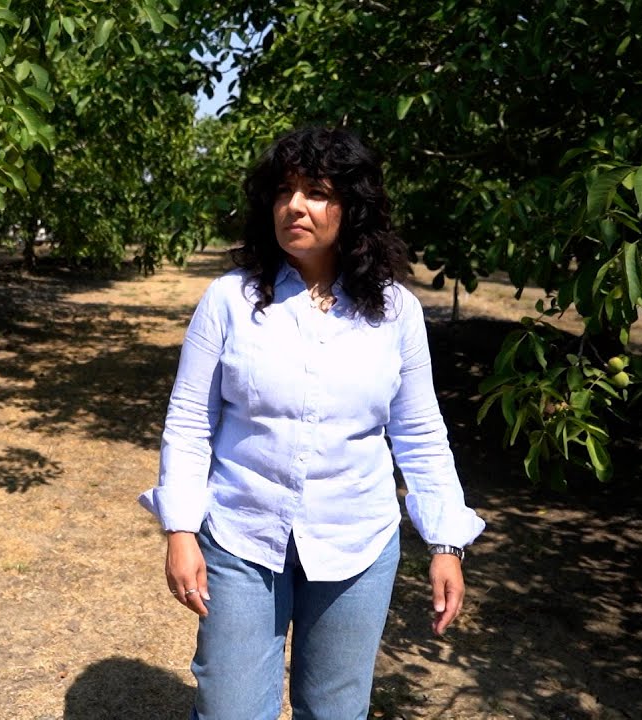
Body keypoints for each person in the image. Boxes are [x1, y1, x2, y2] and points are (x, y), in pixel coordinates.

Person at [139, 126, 485, 720]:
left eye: (317, 192)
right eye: (284, 191)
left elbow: (421, 433)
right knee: (229, 710)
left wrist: (446, 542)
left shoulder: (395, 312)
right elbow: (191, 419)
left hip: (357, 543)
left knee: (334, 711)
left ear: (353, 209)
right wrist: (180, 529)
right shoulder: (229, 300)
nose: (294, 206)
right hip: (243, 536)